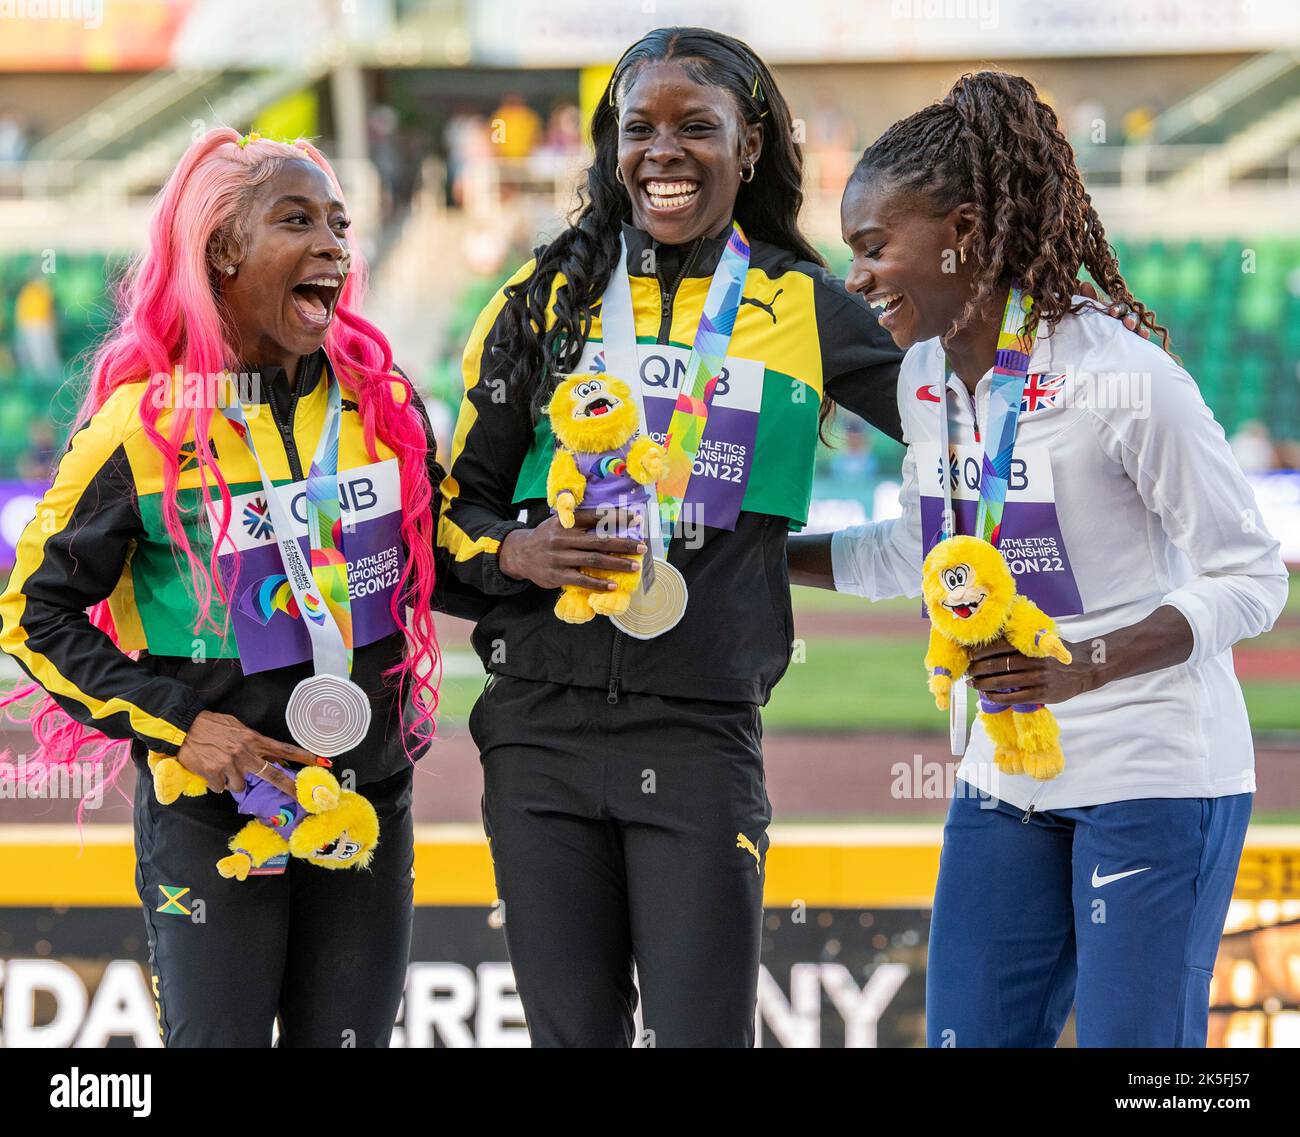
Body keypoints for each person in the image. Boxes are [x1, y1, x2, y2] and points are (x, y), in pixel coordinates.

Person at [788, 71, 1288, 1047]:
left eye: (874, 246)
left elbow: (1250, 575)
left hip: (1153, 777)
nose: (856, 278)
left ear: (963, 232)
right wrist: (760, 558)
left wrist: (1080, 665)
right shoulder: (926, 374)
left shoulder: (1121, 377)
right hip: (1003, 779)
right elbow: (921, 553)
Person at [440, 26, 911, 1048]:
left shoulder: (803, 305)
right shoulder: (543, 302)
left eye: (696, 127)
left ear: (750, 148)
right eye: (636, 128)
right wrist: (514, 552)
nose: (662, 151)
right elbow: (444, 521)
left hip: (698, 736)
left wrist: (799, 567)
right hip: (539, 732)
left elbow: (961, 431)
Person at [0, 129, 442, 1047]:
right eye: (297, 221)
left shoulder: (384, 407)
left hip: (365, 802)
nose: (333, 246)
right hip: (213, 815)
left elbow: (449, 553)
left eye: (339, 224)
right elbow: (29, 615)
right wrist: (183, 725)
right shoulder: (140, 427)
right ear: (221, 253)